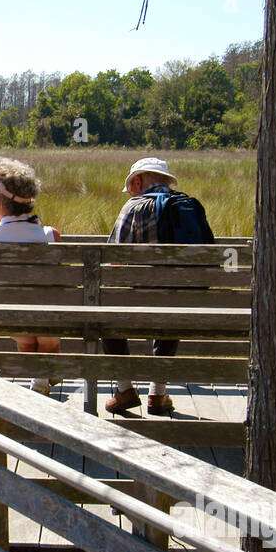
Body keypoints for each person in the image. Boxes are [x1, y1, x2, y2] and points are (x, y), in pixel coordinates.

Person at [0, 156, 63, 395]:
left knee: (26, 332)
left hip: (7, 317)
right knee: (47, 334)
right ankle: (42, 378)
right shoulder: (51, 235)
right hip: (47, 319)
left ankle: (41, 379)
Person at [103, 157, 184, 416]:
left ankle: (124, 389)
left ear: (138, 181)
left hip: (136, 304)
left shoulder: (133, 207)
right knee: (172, 305)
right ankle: (158, 395)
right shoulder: (186, 207)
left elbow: (113, 259)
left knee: (105, 312)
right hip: (182, 307)